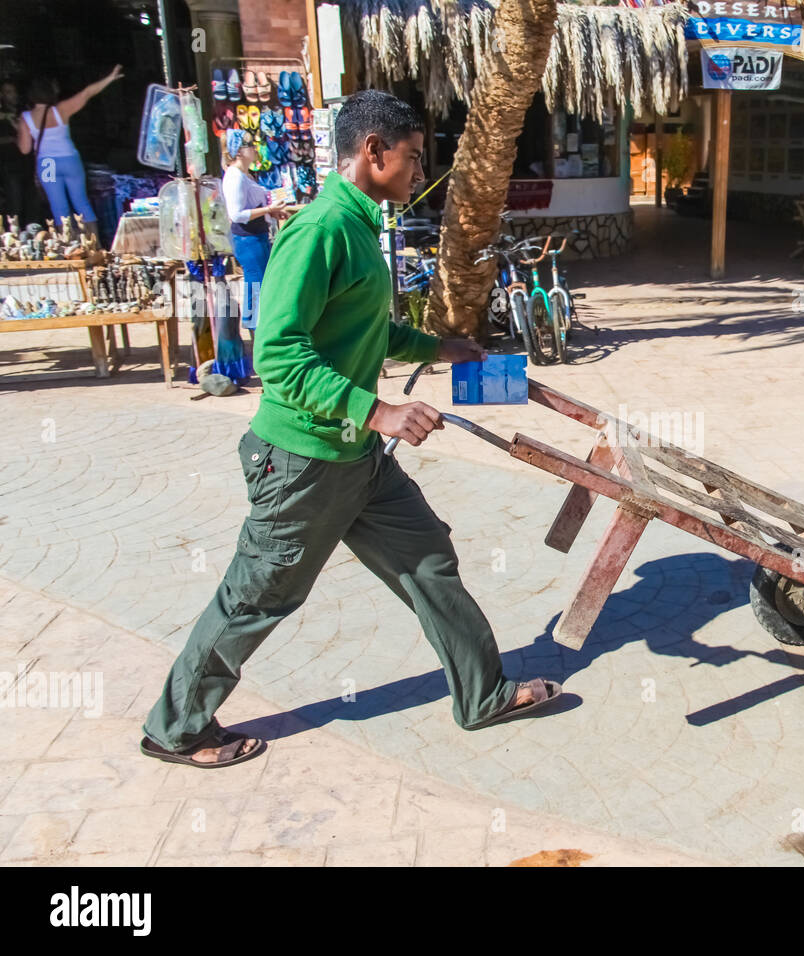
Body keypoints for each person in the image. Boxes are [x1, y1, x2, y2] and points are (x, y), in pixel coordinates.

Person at [140, 89, 562, 769]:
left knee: (428, 560)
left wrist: (435, 348)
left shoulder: (362, 226)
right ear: (374, 152)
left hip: (358, 457)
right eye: (414, 156)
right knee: (257, 597)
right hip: (304, 462)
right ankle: (176, 726)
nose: (420, 171)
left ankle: (482, 694)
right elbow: (277, 353)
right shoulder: (322, 229)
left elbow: (365, 327)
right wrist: (379, 411)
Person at [15, 66, 123, 228]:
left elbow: (25, 149)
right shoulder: (61, 110)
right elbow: (86, 93)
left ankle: (69, 248)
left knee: (59, 207)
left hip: (47, 163)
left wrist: (17, 130)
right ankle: (95, 247)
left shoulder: (26, 118)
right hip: (70, 159)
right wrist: (109, 78)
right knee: (82, 203)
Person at [221, 128, 290, 348]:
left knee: (261, 285)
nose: (254, 149)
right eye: (250, 146)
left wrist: (269, 211)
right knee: (256, 285)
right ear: (239, 152)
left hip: (256, 237)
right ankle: (257, 336)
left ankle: (260, 334)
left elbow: (252, 206)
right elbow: (237, 214)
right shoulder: (234, 177)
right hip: (248, 240)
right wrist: (268, 208)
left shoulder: (245, 174)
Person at [0, 79, 29, 220]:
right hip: (10, 166)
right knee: (15, 205)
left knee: (33, 204)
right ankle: (14, 237)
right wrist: (11, 140)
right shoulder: (1, 115)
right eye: (7, 92)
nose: (12, 95)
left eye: (13, 91)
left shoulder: (25, 110)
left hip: (31, 164)